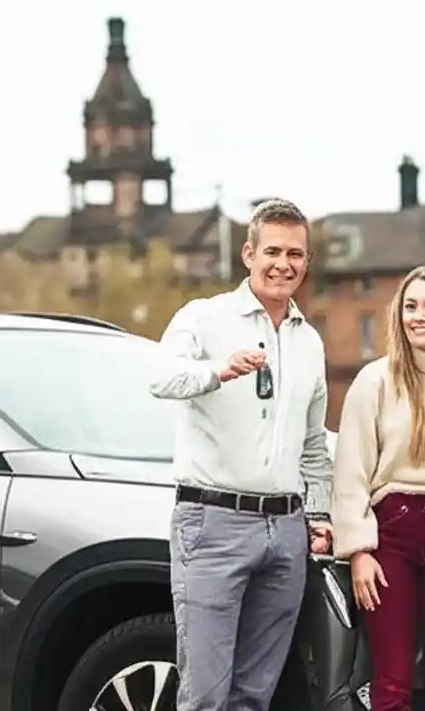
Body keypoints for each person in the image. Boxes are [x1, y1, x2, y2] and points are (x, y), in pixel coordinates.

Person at [149, 197, 334, 711]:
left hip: (286, 534)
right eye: (272, 251)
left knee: (254, 697)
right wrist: (218, 370)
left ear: (307, 262)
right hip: (212, 525)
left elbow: (313, 444)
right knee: (205, 697)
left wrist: (318, 515)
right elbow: (160, 377)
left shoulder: (309, 342)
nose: (284, 264)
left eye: (295, 254)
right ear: (248, 254)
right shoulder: (203, 317)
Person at [330, 265, 425, 711]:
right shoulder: (375, 381)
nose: (419, 316)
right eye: (410, 306)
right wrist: (358, 551)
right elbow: (351, 469)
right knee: (391, 681)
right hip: (391, 536)